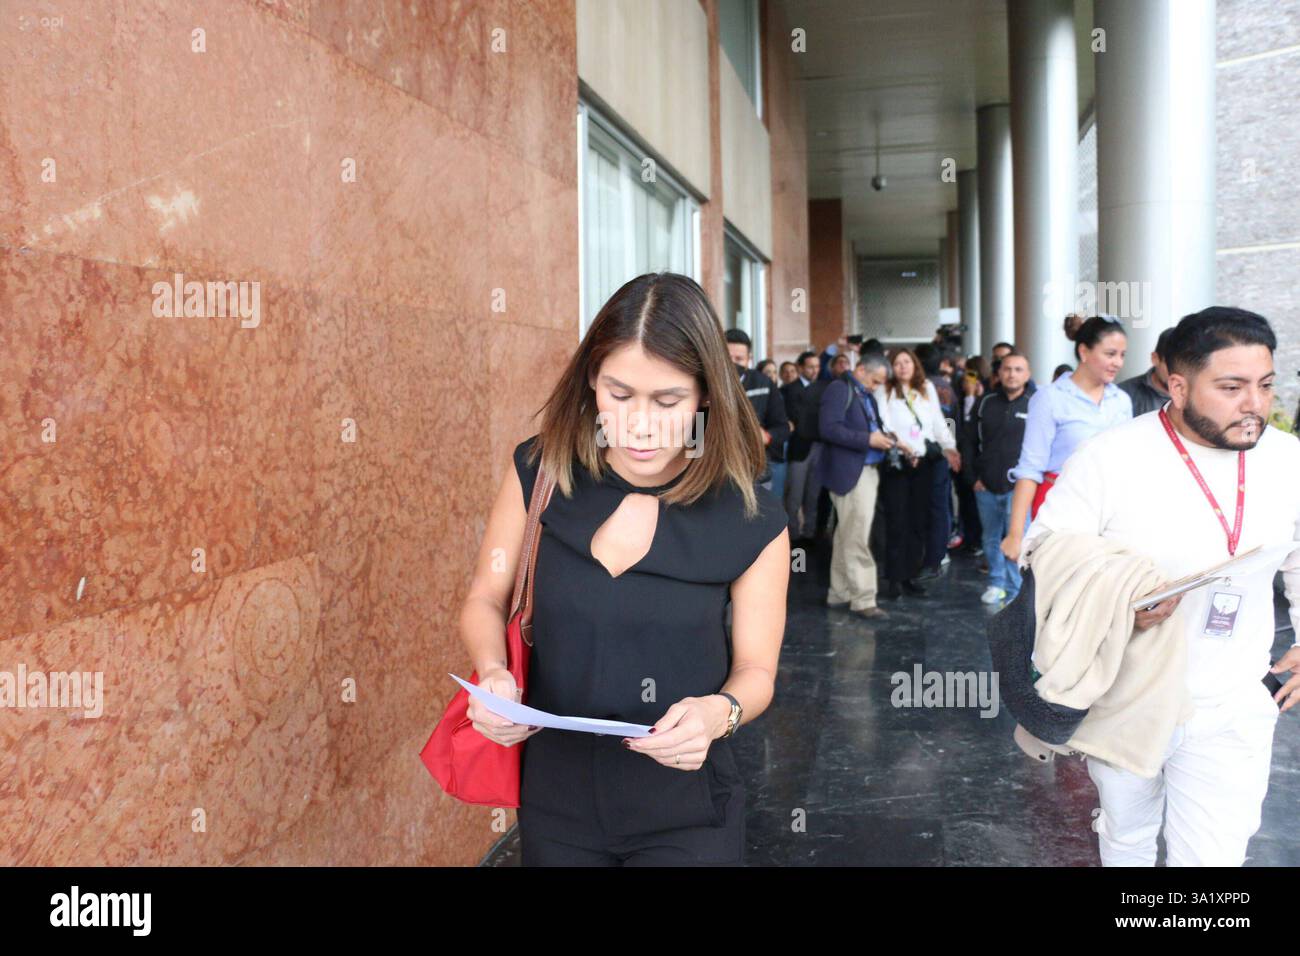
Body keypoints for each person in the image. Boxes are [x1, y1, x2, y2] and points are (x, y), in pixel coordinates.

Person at [461, 273, 790, 866]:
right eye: (618, 394)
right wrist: (492, 675)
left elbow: (757, 669)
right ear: (591, 381)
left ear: (706, 395)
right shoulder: (542, 473)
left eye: (667, 401)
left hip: (687, 810)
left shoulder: (750, 517)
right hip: (556, 798)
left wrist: (722, 712)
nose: (640, 424)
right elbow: (486, 597)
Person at [1020, 306, 1300, 867]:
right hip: (1129, 689)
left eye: (1264, 385)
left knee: (1216, 855)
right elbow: (1043, 549)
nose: (1253, 404)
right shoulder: (1112, 456)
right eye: (1231, 387)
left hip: (1234, 695)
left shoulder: (1287, 459)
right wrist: (1120, 602)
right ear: (1177, 384)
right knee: (1127, 835)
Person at [1001, 316, 1133, 564]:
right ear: (1084, 351)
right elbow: (1031, 468)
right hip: (1060, 506)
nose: (1118, 362)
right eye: (1110, 353)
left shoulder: (1121, 401)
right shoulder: (1049, 398)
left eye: (1122, 355)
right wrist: (1016, 534)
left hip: (1110, 510)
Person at [816, 352, 895, 620]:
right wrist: (868, 439)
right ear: (860, 369)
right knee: (858, 536)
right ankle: (863, 599)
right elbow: (828, 429)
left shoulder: (862, 393)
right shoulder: (839, 389)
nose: (875, 386)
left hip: (865, 470)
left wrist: (885, 438)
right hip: (851, 472)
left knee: (846, 534)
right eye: (874, 380)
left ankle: (839, 592)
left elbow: (869, 427)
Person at [876, 347, 960, 598]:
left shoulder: (926, 388)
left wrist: (950, 448)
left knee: (917, 521)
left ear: (914, 364)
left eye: (907, 362)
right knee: (897, 520)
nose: (903, 366)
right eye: (897, 363)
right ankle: (894, 577)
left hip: (924, 462)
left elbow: (936, 421)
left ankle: (911, 574)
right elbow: (884, 423)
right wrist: (905, 448)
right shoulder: (885, 390)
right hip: (899, 462)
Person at [966, 351, 1032, 605]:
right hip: (985, 485)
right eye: (1007, 369)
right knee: (990, 537)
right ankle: (996, 582)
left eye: (1018, 369)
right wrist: (973, 477)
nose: (1012, 374)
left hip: (1019, 487)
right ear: (999, 373)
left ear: (1027, 375)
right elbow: (969, 441)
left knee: (1018, 538)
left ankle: (1016, 589)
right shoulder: (986, 402)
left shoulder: (1034, 404)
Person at [726, 329, 789, 496]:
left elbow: (783, 428)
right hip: (715, 478)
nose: (733, 364)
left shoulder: (763, 383)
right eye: (727, 358)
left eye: (739, 359)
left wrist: (766, 437)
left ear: (749, 360)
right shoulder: (704, 384)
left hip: (755, 476)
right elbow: (694, 434)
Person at [782, 350, 823, 540]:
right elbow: (794, 419)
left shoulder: (823, 388)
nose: (815, 370)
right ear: (800, 368)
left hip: (819, 448)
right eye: (810, 367)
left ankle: (810, 533)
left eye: (817, 366)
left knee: (813, 496)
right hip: (798, 450)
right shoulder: (790, 390)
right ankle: (794, 535)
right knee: (795, 497)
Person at [1118, 328, 1174, 416]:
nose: (1177, 373)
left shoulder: (1193, 396)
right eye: (1171, 365)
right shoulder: (1123, 394)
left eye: (1184, 366)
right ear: (1155, 358)